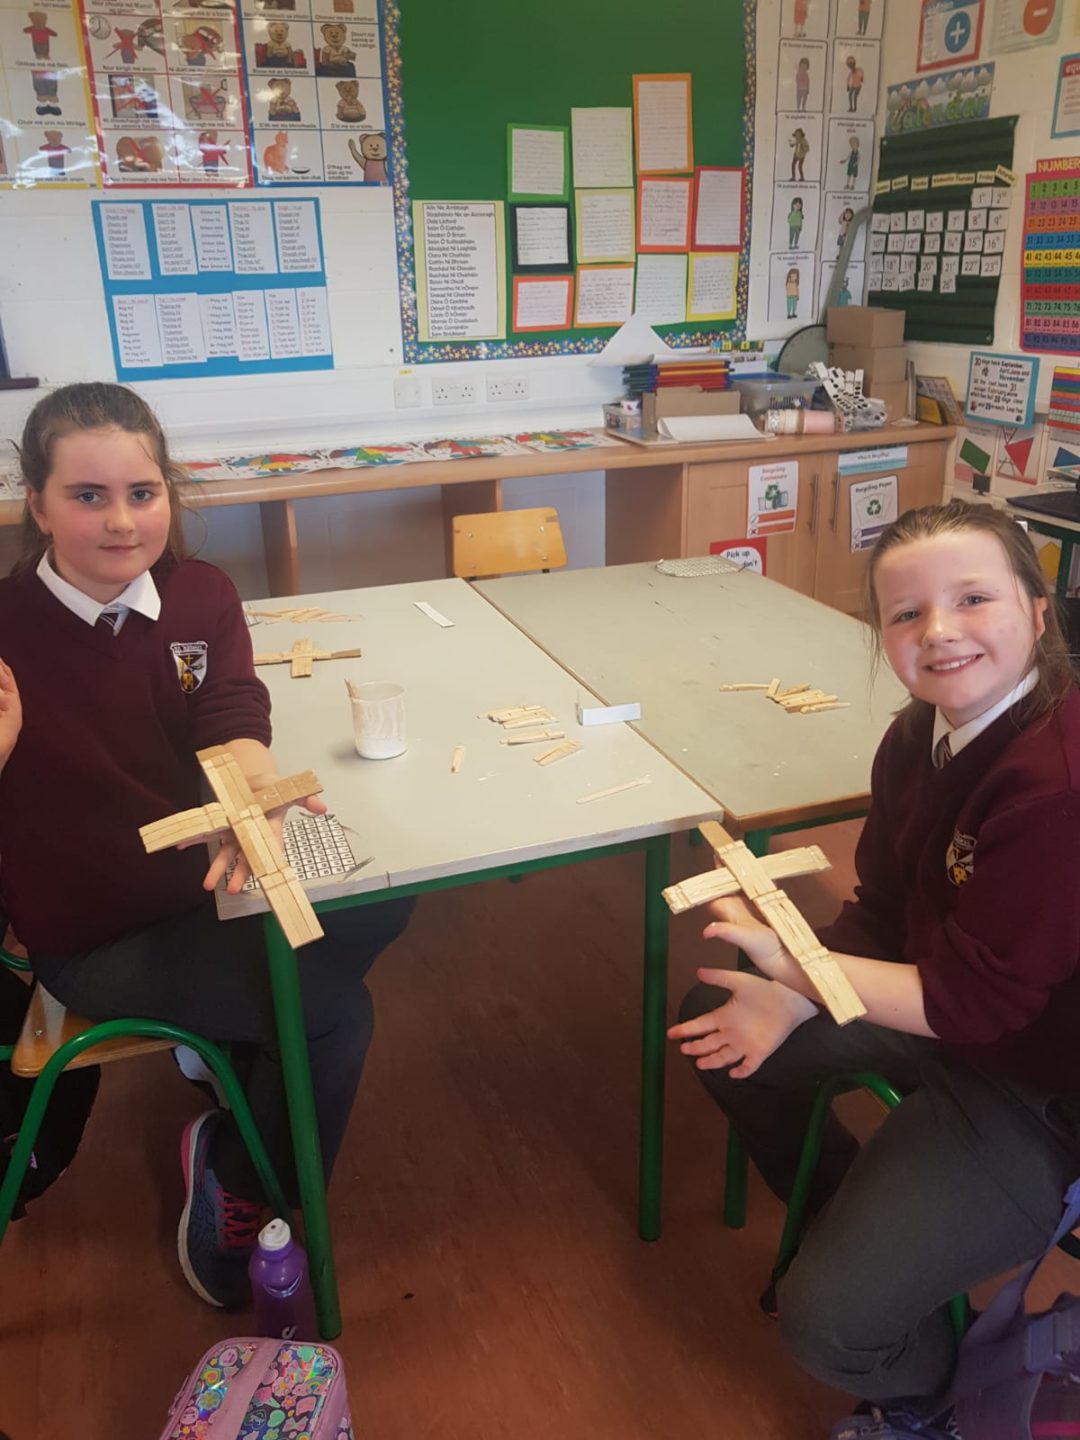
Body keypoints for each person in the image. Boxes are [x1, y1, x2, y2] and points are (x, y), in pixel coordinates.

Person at [669, 501, 1080, 1437]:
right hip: (939, 1016)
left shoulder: (1058, 783)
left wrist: (807, 976)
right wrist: (790, 989)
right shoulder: (917, 736)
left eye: (974, 597)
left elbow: (973, 1005)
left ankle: (936, 1402)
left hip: (1038, 1093)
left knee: (827, 1327)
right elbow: (888, 912)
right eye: (905, 614)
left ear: (1038, 609)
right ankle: (834, 1216)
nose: (939, 632)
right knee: (722, 1025)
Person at [0, 383, 413, 1310]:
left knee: (385, 892)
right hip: (102, 929)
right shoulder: (5, 629)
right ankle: (240, 1176)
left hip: (214, 877)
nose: (121, 522)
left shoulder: (198, 593)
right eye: (87, 495)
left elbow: (229, 709)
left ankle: (245, 1050)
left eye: (142, 493)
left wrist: (249, 796)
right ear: (38, 503)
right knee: (335, 1016)